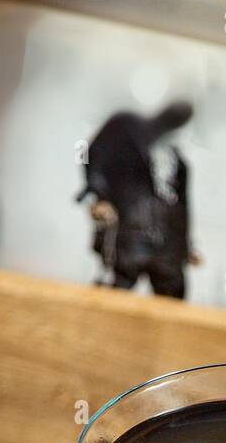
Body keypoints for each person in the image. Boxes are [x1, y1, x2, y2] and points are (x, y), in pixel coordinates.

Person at [76, 101, 199, 297]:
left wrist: (187, 245)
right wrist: (98, 194)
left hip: (167, 244)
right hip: (129, 231)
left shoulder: (176, 158)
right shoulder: (127, 127)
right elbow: (92, 154)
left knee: (172, 298)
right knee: (117, 291)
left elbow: (182, 205)